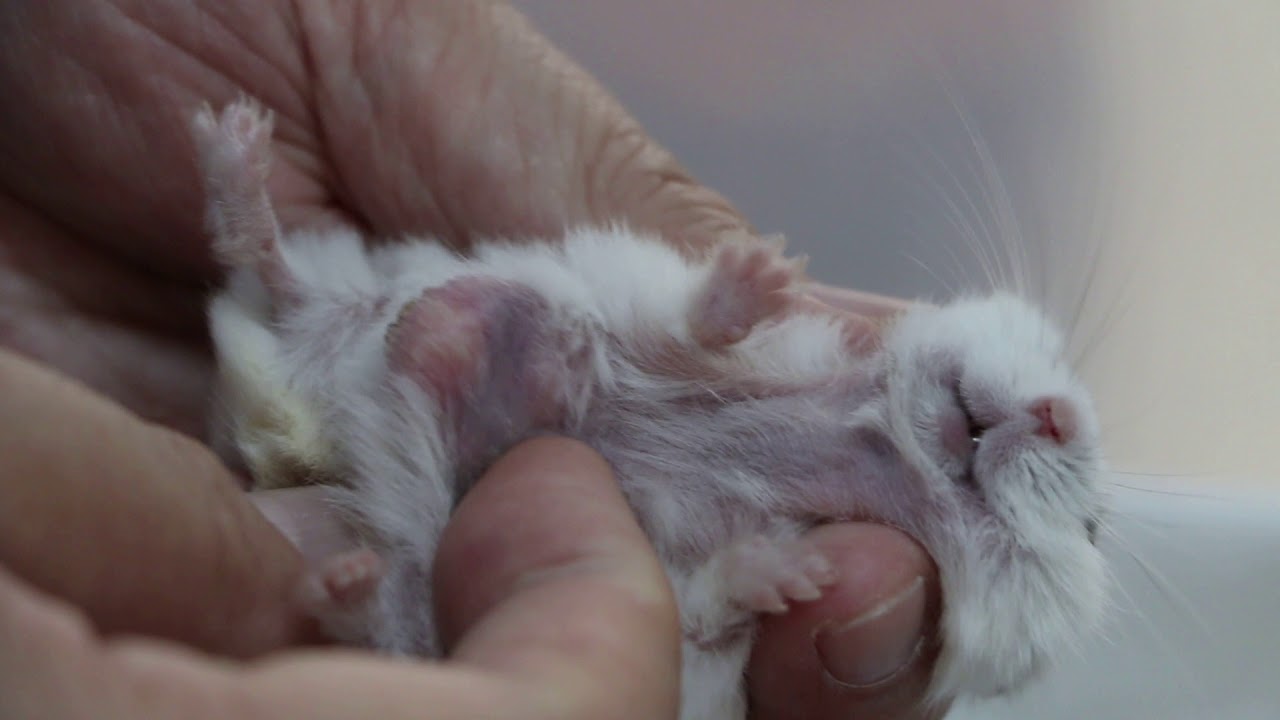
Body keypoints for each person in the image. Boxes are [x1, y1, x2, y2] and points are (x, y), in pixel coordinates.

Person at [0, 1, 949, 718]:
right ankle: (260, 246)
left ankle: (355, 604)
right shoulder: (804, 377)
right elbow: (655, 336)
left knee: (377, 575)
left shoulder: (816, 508)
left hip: (387, 492)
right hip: (384, 376)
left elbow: (696, 613)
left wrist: (738, 581)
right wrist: (717, 308)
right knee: (323, 328)